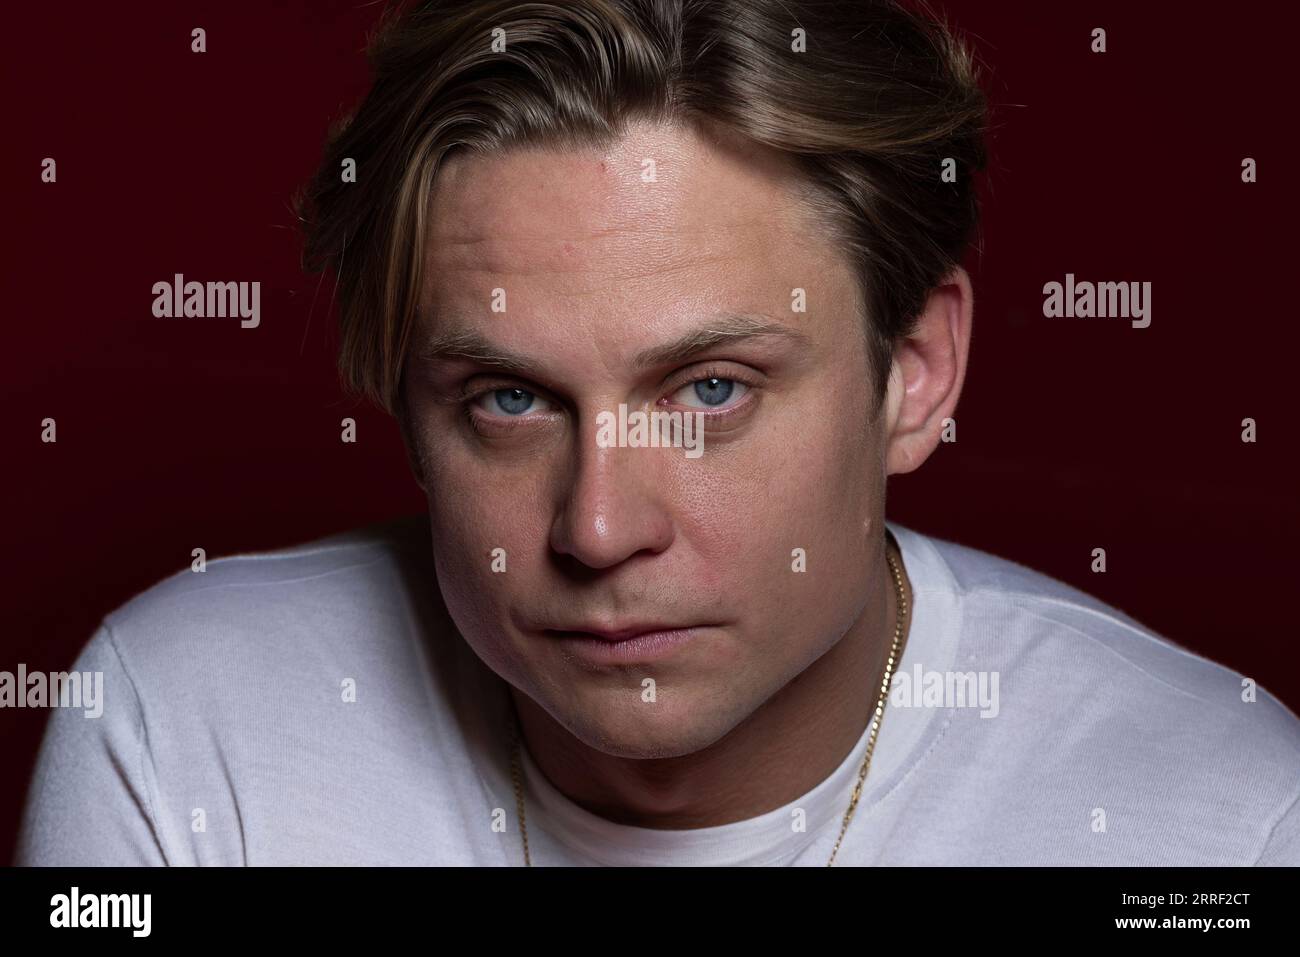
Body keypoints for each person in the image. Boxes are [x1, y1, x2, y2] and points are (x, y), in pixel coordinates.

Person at [18, 0, 1300, 866]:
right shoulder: (183, 721)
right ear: (409, 409)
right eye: (508, 399)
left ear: (912, 374)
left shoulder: (1228, 820)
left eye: (708, 391)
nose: (597, 527)